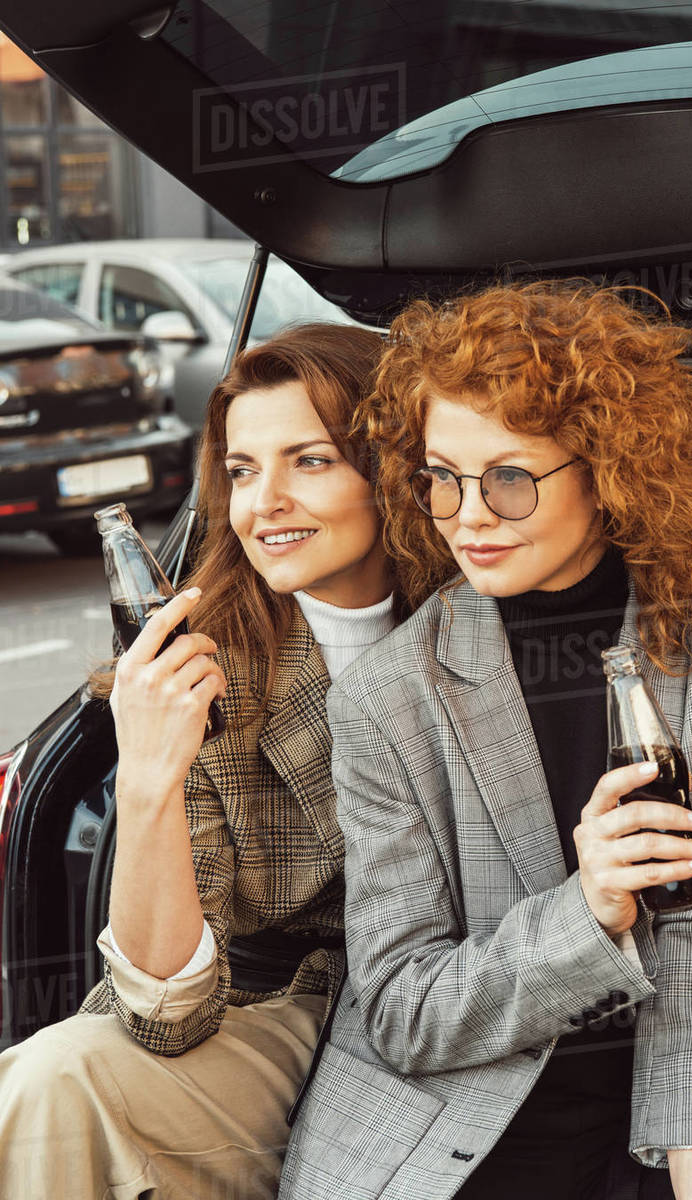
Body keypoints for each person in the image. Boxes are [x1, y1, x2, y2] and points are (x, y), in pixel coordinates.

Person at [279, 282, 692, 1200]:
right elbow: (402, 1010)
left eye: (508, 478)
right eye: (441, 476)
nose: (467, 514)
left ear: (608, 471)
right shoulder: (389, 698)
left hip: (687, 1090)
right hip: (456, 1119)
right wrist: (586, 908)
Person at [0, 323, 401, 1200]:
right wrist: (148, 773)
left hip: (464, 999)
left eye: (312, 461)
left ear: (392, 467)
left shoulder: (492, 619)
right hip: (283, 1012)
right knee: (50, 1078)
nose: (265, 505)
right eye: (244, 470)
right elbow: (162, 1016)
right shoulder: (211, 663)